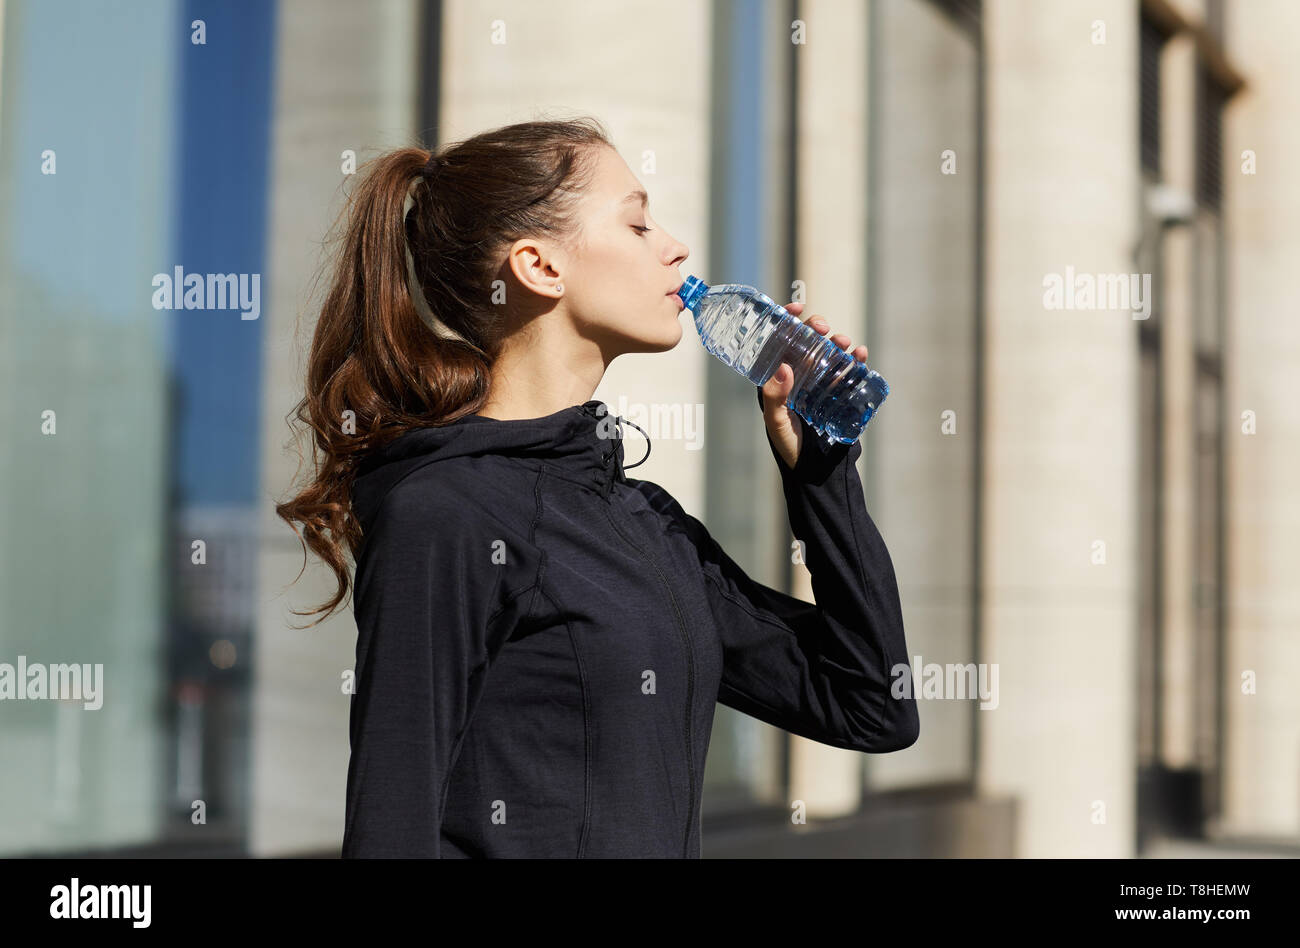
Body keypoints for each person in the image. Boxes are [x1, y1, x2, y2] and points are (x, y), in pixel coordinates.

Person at [275, 116, 918, 858]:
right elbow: (392, 826)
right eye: (639, 224)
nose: (675, 246)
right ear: (539, 267)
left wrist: (822, 476)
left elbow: (872, 706)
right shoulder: (445, 514)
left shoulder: (643, 519)